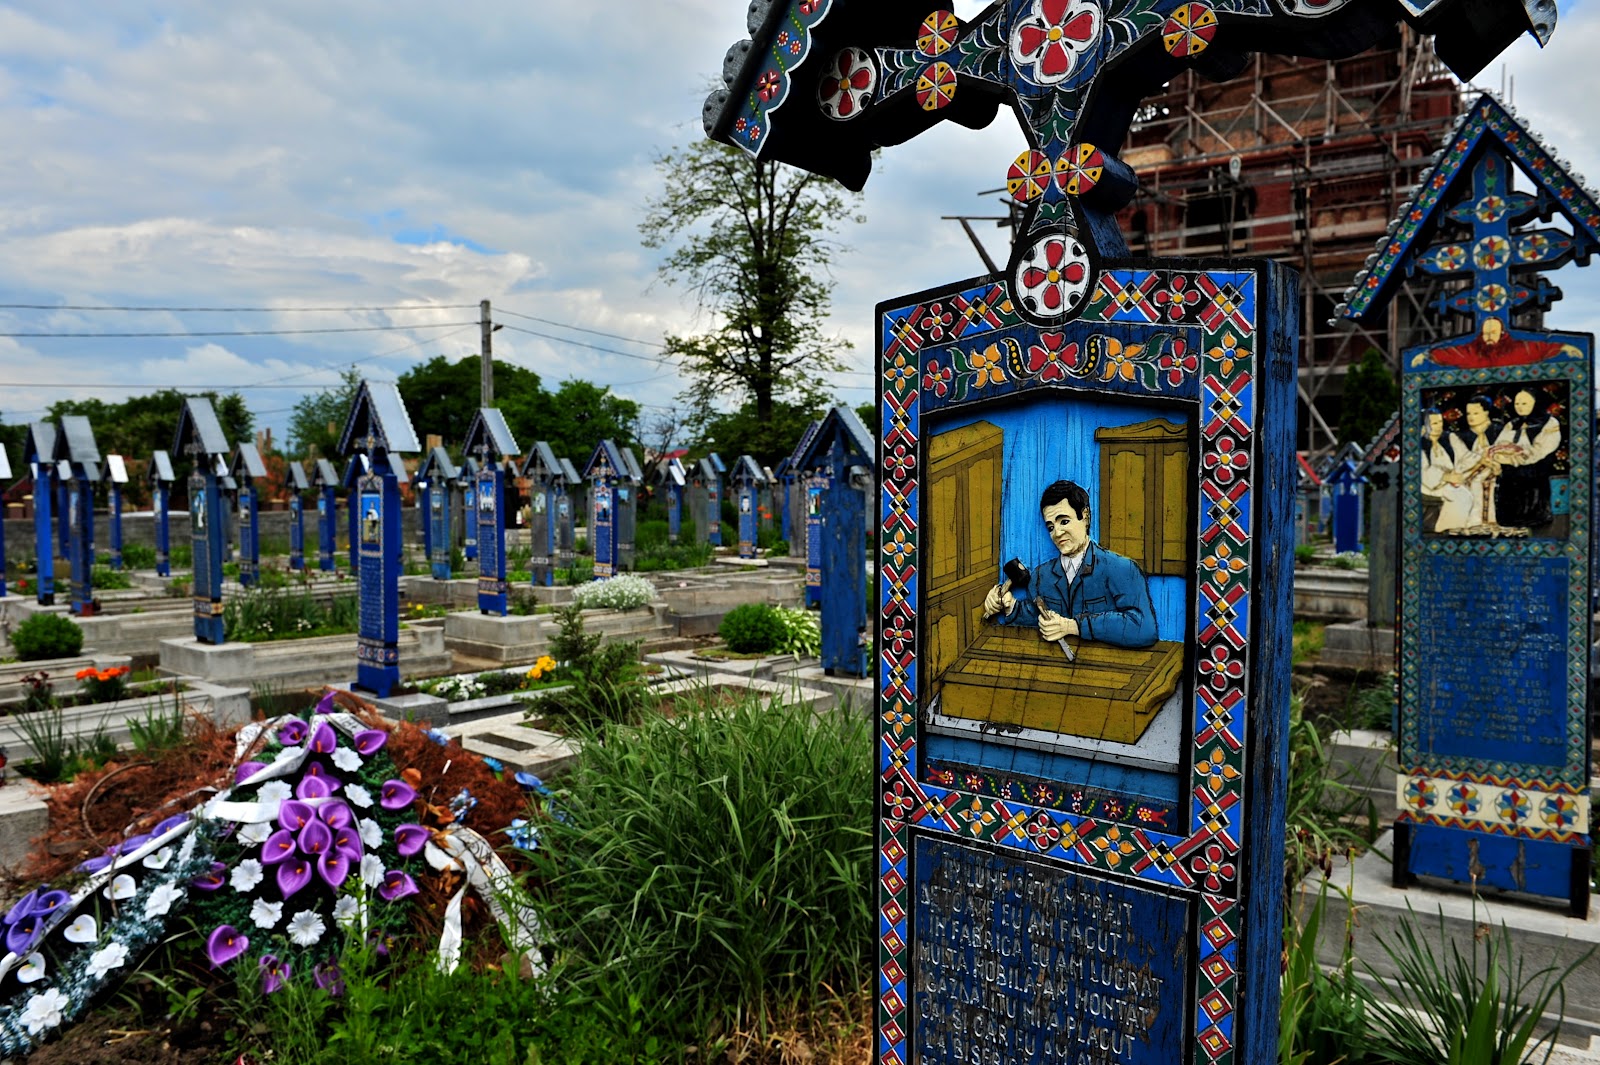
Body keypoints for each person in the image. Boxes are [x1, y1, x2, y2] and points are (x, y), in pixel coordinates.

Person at [980, 479, 1158, 648]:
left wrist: (1073, 627)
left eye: (1064, 521)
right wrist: (1010, 606)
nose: (1057, 533)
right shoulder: (1042, 575)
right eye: (1050, 527)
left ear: (1085, 517)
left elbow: (1144, 628)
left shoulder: (1122, 570)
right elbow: (1039, 615)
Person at [1492, 388, 1561, 528]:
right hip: (1511, 472)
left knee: (1532, 502)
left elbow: (1541, 450)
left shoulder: (1549, 423)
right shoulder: (1513, 423)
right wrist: (1501, 455)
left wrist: (1518, 458)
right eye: (1517, 403)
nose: (1520, 407)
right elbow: (1498, 444)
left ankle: (1535, 518)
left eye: (1525, 403)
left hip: (1534, 472)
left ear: (1536, 403)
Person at [1414, 317, 1581, 369]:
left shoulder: (1516, 350)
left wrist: (1564, 346)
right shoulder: (1473, 352)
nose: (1488, 337)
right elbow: (1454, 354)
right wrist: (1426, 355)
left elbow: (1536, 348)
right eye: (1485, 333)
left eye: (1492, 333)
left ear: (1502, 333)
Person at [1419, 408, 1479, 531]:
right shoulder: (1419, 444)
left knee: (1473, 489)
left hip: (1453, 482)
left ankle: (1469, 527)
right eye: (1434, 423)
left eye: (1440, 422)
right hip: (1430, 486)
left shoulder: (1449, 438)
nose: (1439, 426)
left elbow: (1466, 456)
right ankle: (1447, 529)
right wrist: (1446, 476)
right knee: (1461, 496)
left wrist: (1482, 458)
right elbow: (1422, 471)